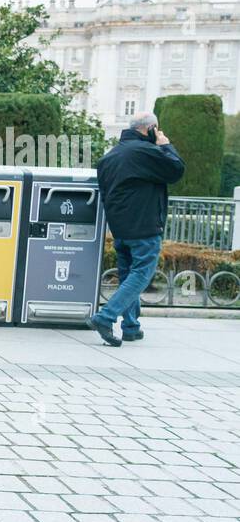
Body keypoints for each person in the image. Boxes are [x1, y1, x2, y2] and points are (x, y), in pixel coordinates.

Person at [88, 110, 186, 346]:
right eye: (157, 129)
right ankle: (106, 316)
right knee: (142, 273)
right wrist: (166, 145)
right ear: (149, 129)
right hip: (143, 226)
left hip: (120, 229)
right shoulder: (146, 151)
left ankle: (131, 326)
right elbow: (176, 170)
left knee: (127, 275)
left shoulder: (110, 156)